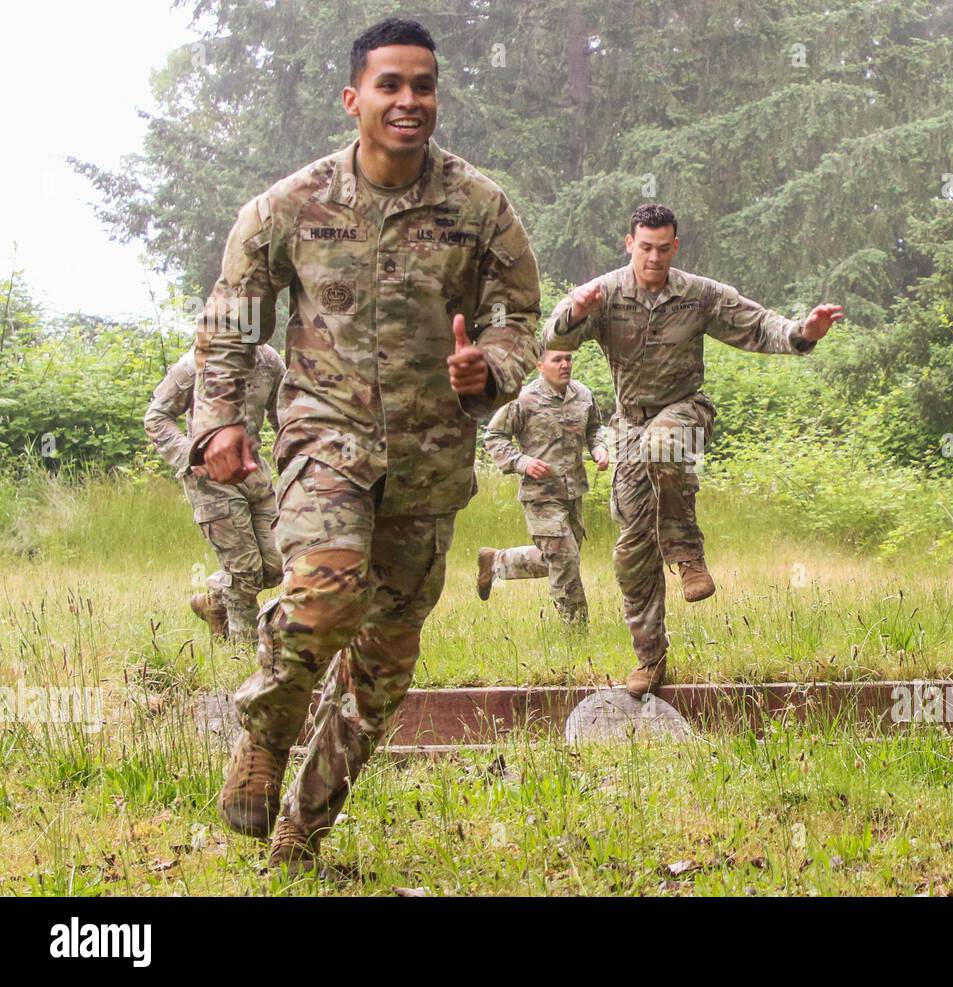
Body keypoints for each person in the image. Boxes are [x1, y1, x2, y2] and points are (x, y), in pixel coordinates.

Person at [190, 17, 540, 872]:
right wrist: (220, 420)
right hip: (326, 438)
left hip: (428, 462)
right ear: (355, 99)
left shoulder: (479, 207)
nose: (409, 101)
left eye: (423, 86)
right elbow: (230, 319)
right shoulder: (289, 204)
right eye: (391, 85)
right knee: (321, 596)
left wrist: (488, 367)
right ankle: (267, 730)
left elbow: (521, 319)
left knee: (381, 671)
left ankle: (297, 841)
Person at [541, 203, 843, 697]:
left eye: (664, 248)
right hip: (628, 427)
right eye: (645, 248)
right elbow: (556, 339)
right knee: (631, 550)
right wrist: (573, 309)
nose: (654, 257)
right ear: (629, 243)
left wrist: (803, 333)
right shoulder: (607, 292)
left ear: (675, 246)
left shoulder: (697, 294)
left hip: (685, 410)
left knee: (665, 444)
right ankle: (650, 657)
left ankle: (686, 553)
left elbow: (758, 323)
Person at [144, 344, 284, 643]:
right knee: (245, 571)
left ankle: (214, 601)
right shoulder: (196, 362)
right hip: (210, 481)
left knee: (277, 565)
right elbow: (156, 417)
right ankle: (243, 652)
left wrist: (297, 460)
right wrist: (191, 456)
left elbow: (283, 415)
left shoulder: (270, 361)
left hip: (255, 475)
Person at [478, 349, 608, 626]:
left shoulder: (583, 394)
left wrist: (599, 448)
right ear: (540, 365)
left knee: (559, 557)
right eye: (557, 360)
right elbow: (494, 435)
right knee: (565, 559)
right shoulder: (523, 400)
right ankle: (576, 633)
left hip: (573, 491)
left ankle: (497, 562)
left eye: (568, 358)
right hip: (540, 495)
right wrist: (520, 461)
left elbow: (595, 428)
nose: (565, 364)